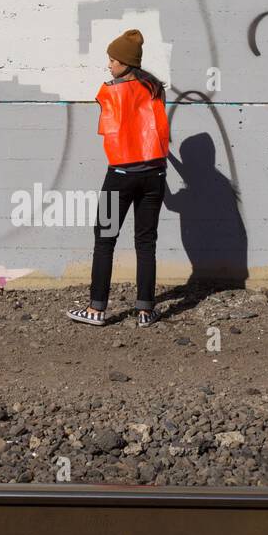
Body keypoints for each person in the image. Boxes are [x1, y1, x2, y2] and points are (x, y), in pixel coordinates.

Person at [66, 29, 170, 328]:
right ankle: (146, 311)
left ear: (125, 62)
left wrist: (114, 85)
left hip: (121, 177)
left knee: (105, 239)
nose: (109, 65)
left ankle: (97, 309)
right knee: (146, 242)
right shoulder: (155, 89)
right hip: (155, 175)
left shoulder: (110, 91)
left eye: (113, 60)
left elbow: (107, 113)